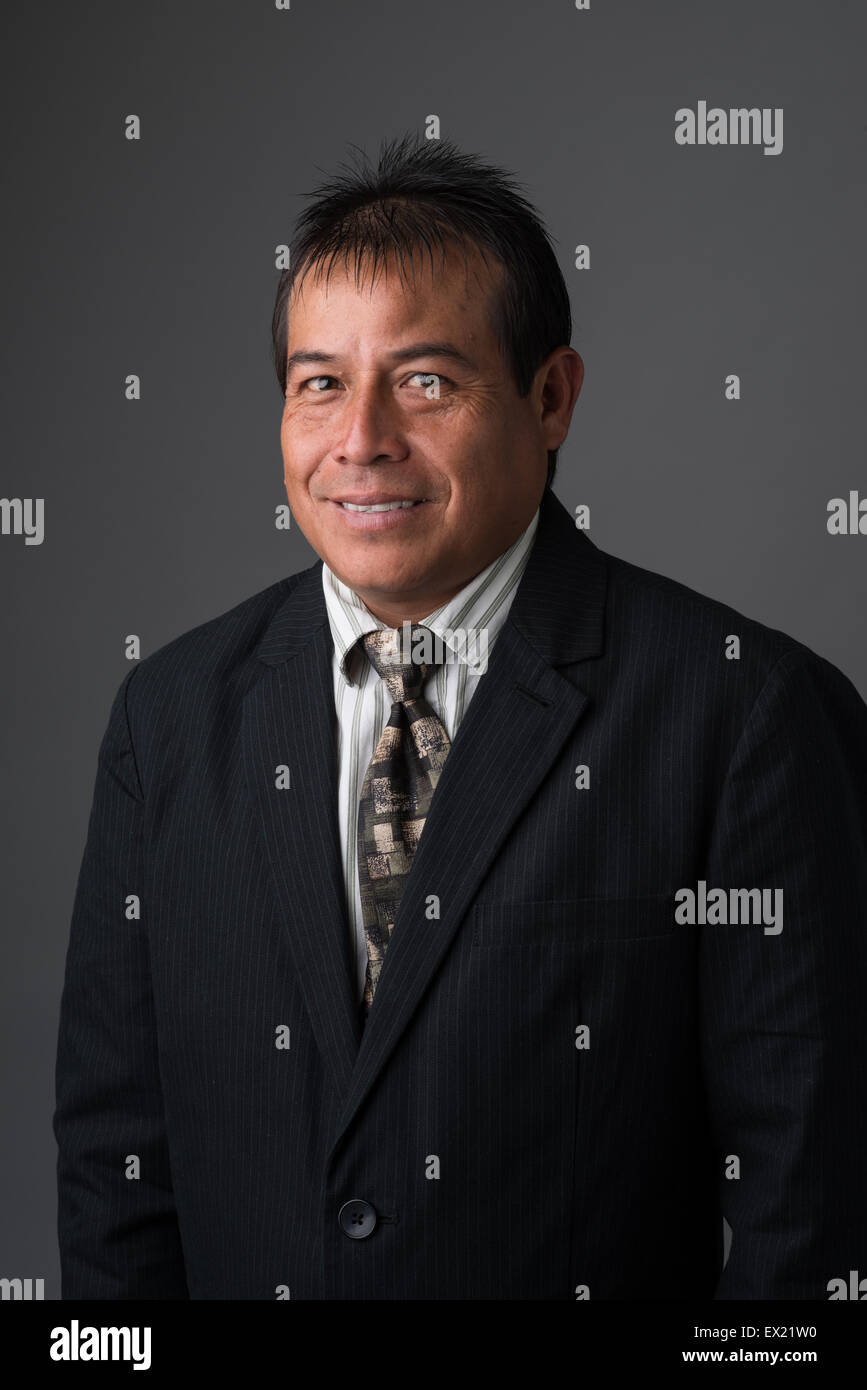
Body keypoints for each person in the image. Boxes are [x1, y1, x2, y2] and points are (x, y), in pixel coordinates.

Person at [54, 134, 867, 1300]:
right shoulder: (170, 719)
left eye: (426, 380)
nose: (362, 439)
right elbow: (114, 1170)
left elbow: (815, 1204)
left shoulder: (743, 711)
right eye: (320, 382)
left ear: (551, 398)